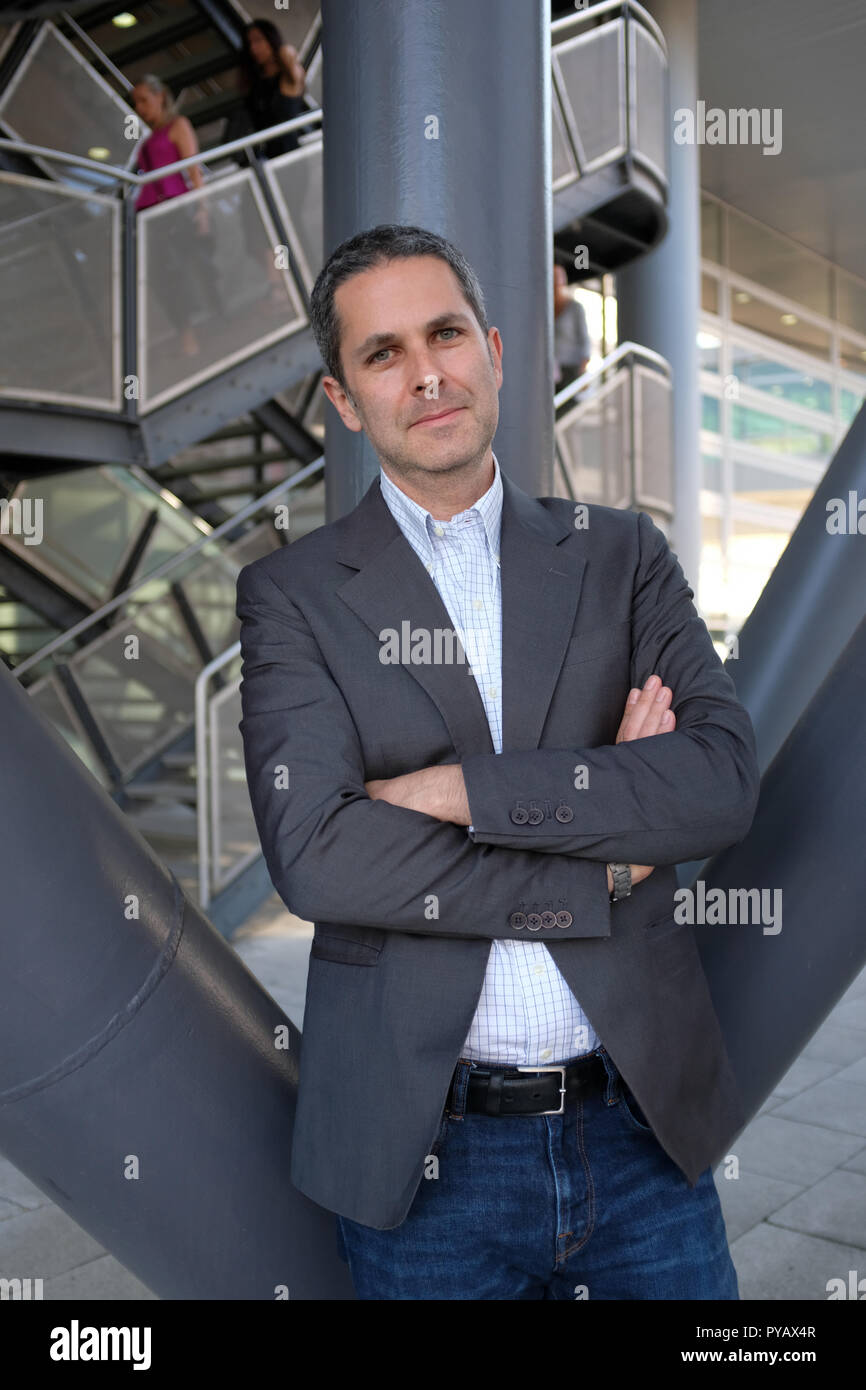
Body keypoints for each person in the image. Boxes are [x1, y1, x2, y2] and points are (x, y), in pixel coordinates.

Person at [236, 224, 760, 1300]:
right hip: (427, 1160)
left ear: (496, 352)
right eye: (382, 353)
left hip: (637, 1134)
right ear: (342, 399)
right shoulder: (291, 596)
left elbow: (714, 780)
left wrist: (458, 792)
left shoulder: (620, 555)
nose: (426, 372)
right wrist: (603, 857)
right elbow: (322, 856)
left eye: (445, 333)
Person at [132, 75, 210, 358]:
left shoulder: (178, 126)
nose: (140, 108)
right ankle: (186, 331)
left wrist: (203, 209)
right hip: (149, 216)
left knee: (176, 273)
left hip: (174, 212)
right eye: (136, 102)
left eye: (144, 100)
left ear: (160, 96)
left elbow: (193, 171)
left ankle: (191, 333)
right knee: (161, 277)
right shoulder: (146, 139)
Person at [240, 19, 307, 160]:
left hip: (290, 156)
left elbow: (288, 54)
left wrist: (280, 51)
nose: (253, 48)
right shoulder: (255, 83)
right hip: (267, 157)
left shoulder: (288, 77)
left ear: (271, 39)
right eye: (250, 43)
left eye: (258, 41)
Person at [553, 261, 591, 390]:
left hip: (571, 369)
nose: (556, 282)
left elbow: (585, 340)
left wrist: (583, 369)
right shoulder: (544, 308)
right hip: (552, 369)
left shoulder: (575, 308)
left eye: (558, 277)